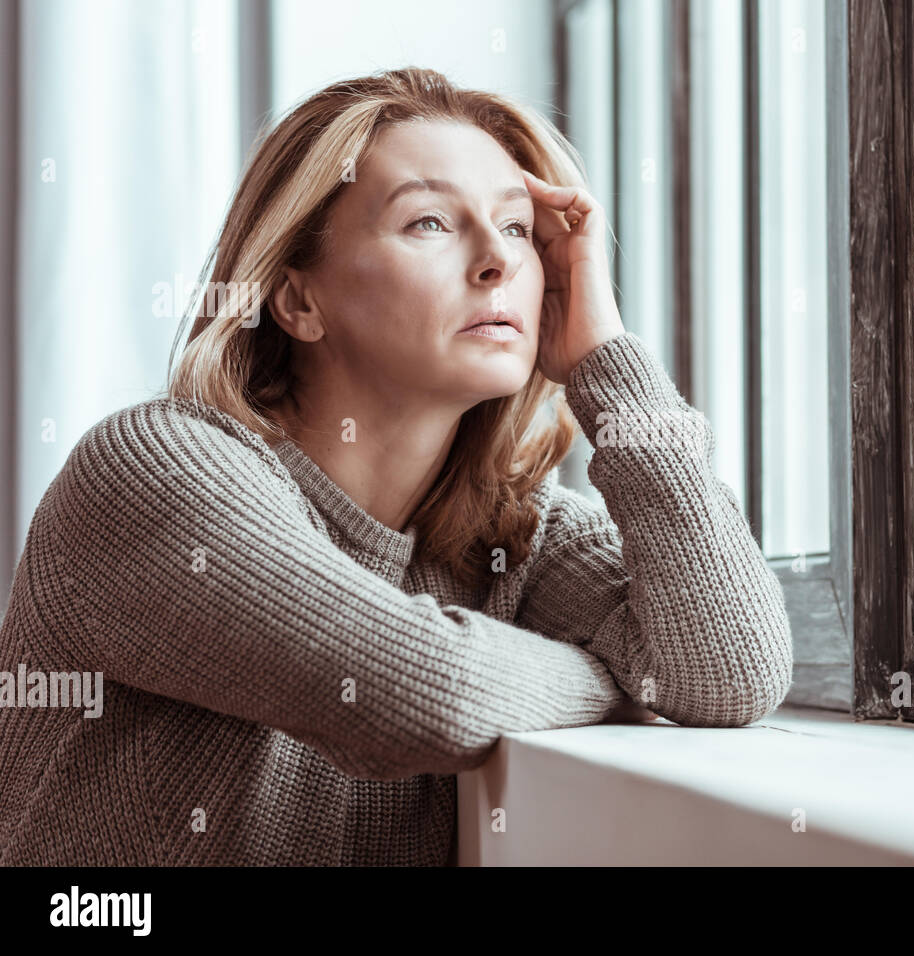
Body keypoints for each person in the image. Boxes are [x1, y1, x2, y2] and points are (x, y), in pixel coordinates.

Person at [0, 67, 793, 866]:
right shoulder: (151, 472)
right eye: (428, 223)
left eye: (518, 229)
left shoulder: (521, 540)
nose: (498, 263)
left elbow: (731, 673)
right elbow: (426, 693)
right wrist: (612, 679)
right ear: (297, 300)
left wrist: (606, 360)